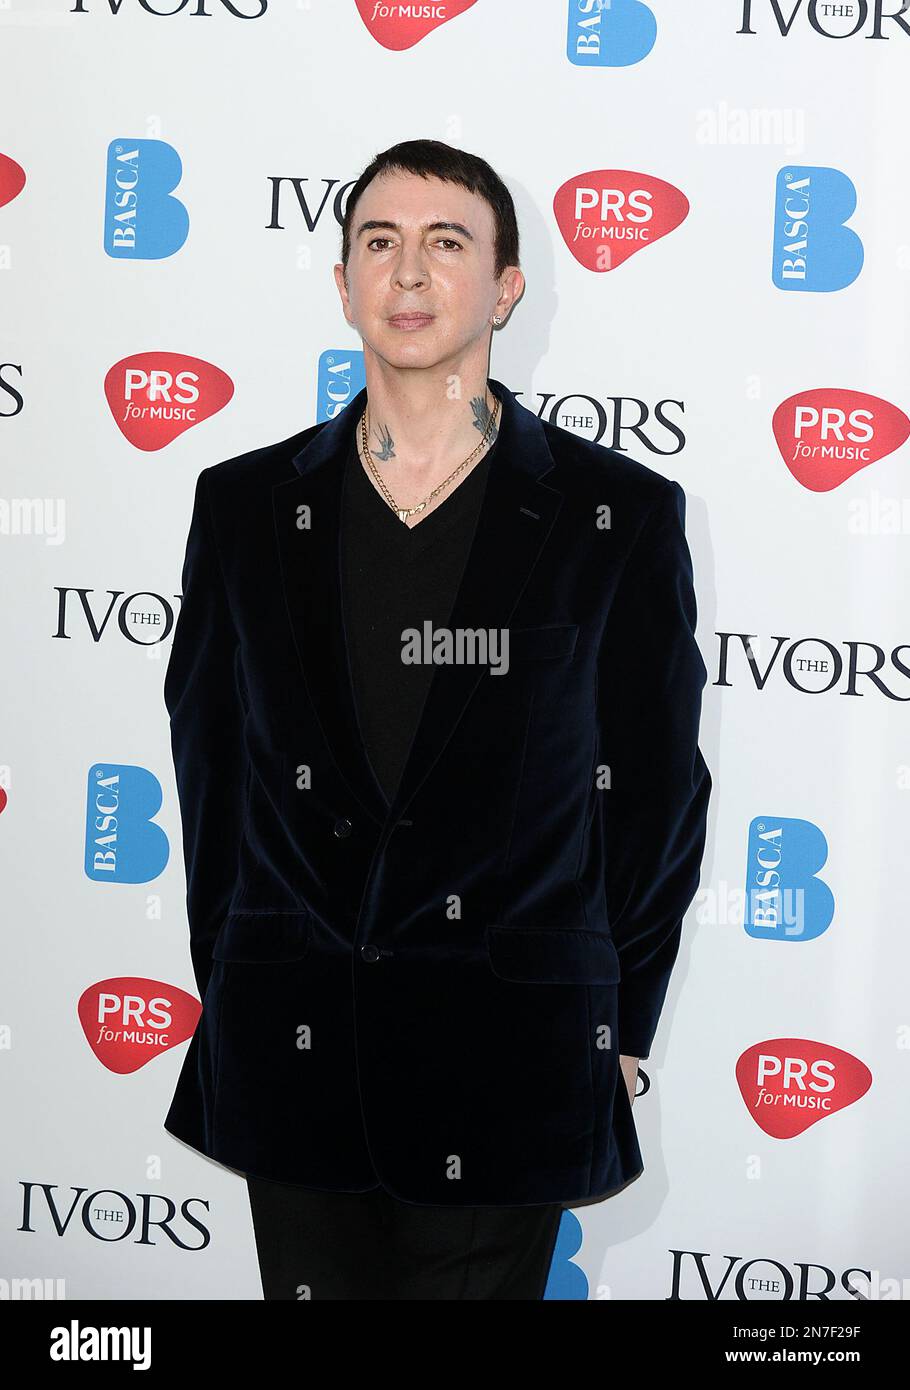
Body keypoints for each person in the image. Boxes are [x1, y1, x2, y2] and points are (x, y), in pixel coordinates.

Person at [162, 139, 712, 1300]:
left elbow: (656, 796)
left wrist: (613, 1030)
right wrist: (240, 984)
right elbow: (210, 768)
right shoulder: (245, 504)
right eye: (379, 242)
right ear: (344, 282)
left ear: (505, 286)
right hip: (293, 1054)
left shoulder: (616, 516)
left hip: (510, 1065)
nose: (408, 272)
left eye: (446, 243)